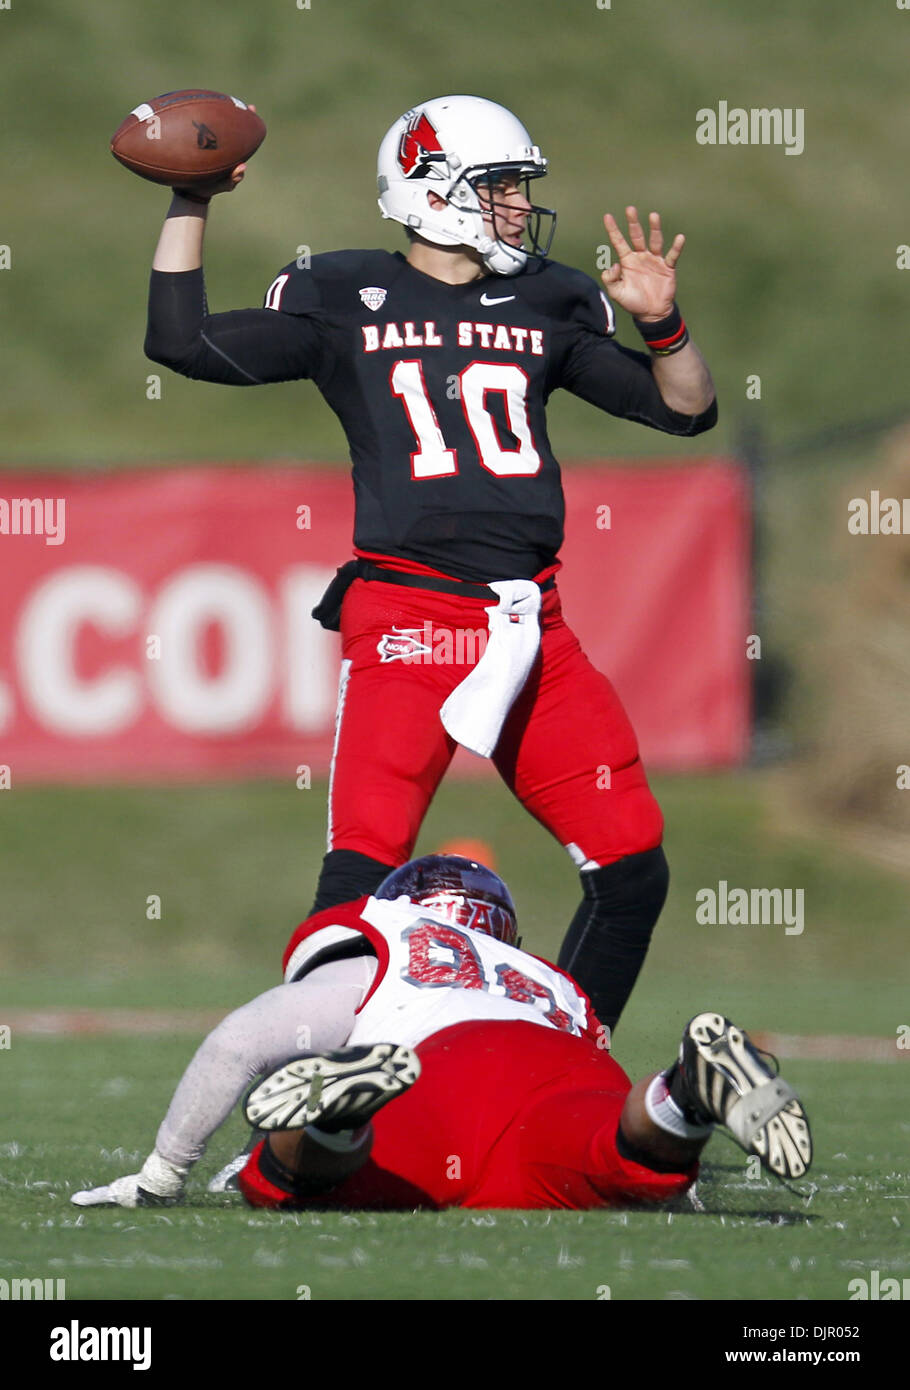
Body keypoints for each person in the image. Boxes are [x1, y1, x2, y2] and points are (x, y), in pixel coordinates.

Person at [143, 94, 718, 1031]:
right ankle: (309, 1105)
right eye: (498, 187)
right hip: (410, 616)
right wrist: (191, 200)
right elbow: (182, 342)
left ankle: (562, 1072)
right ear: (433, 191)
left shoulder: (550, 296)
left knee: (632, 864)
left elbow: (685, 411)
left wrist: (664, 324)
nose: (516, 208)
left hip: (532, 623)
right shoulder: (345, 292)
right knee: (360, 878)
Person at [71, 856, 811, 1213]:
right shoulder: (547, 980)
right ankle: (687, 1093)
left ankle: (339, 1115)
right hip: (559, 1059)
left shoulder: (393, 940)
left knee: (287, 1183)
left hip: (439, 1064)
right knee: (610, 1162)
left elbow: (240, 1041)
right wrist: (677, 1190)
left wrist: (163, 1174)